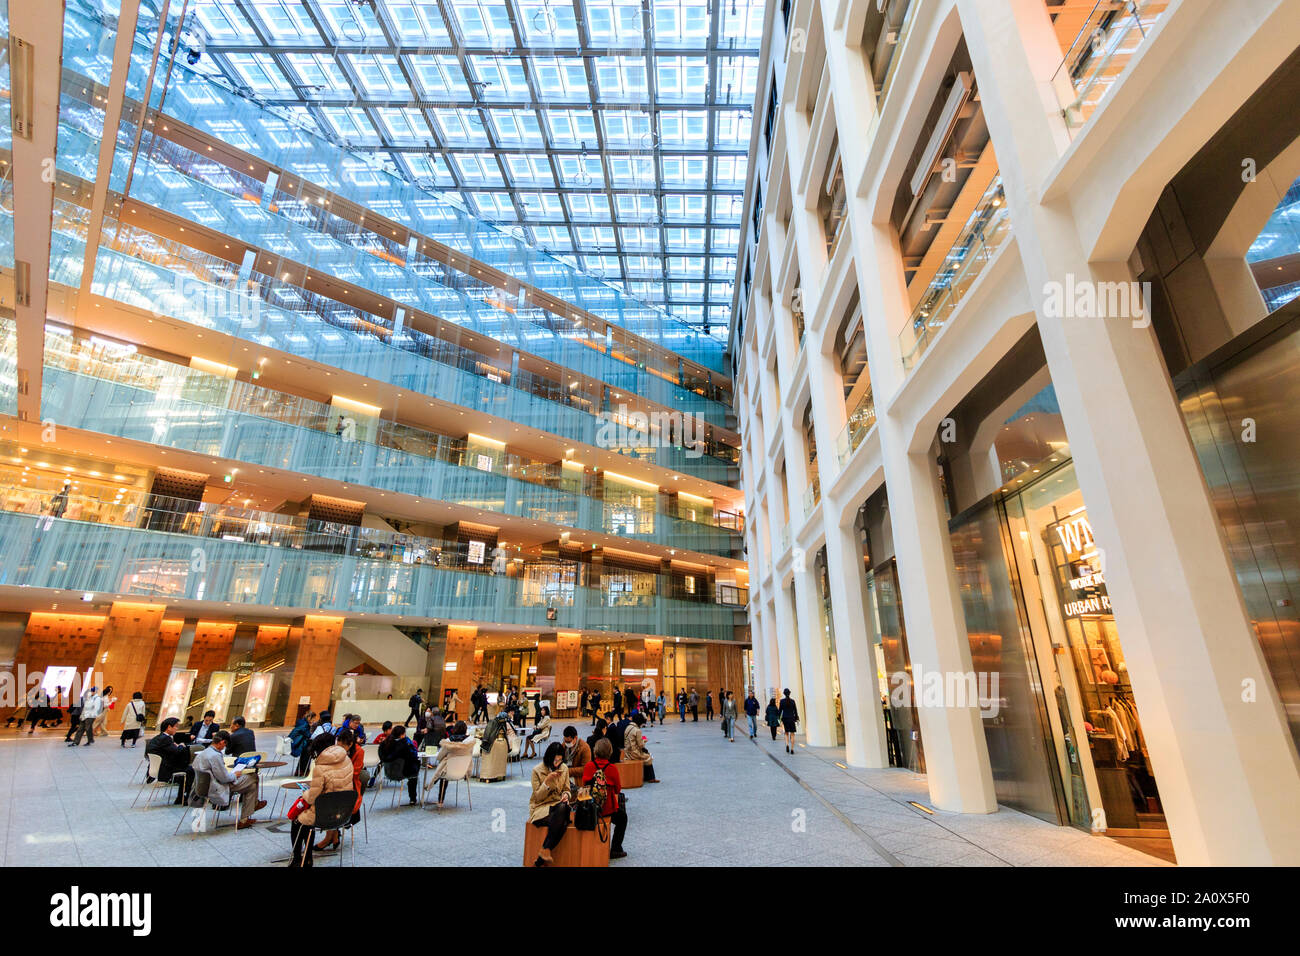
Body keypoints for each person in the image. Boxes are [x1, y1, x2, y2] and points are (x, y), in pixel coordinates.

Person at [290, 738, 354, 867]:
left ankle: (300, 858)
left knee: (298, 821)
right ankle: (306, 859)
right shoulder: (346, 759)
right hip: (343, 812)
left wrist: (304, 793)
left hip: (324, 814)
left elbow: (312, 798)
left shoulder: (320, 768)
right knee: (307, 820)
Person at [190, 730, 267, 829]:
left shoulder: (204, 752)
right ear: (222, 742)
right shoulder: (215, 755)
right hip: (216, 787)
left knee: (251, 787)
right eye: (224, 745)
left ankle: (244, 820)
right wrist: (235, 775)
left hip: (203, 786)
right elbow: (224, 778)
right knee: (253, 777)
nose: (224, 748)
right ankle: (254, 805)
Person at [315, 727, 364, 852]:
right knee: (328, 797)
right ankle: (333, 836)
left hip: (350, 786)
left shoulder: (358, 752)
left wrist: (340, 771)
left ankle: (329, 838)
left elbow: (355, 772)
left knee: (331, 801)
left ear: (350, 744)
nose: (340, 748)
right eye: (338, 744)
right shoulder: (336, 752)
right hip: (337, 783)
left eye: (343, 745)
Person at [582, 738, 627, 859]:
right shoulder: (612, 768)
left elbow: (584, 784)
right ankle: (616, 848)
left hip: (591, 808)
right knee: (622, 818)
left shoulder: (589, 766)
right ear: (610, 752)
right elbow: (618, 789)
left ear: (595, 751)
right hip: (608, 809)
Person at [529, 741, 572, 866]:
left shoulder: (564, 768)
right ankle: (544, 853)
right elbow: (537, 797)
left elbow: (567, 789)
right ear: (549, 758)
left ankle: (543, 853)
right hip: (541, 807)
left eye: (560, 760)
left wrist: (566, 795)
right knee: (563, 821)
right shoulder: (537, 770)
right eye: (555, 761)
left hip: (558, 806)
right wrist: (547, 782)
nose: (557, 764)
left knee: (563, 809)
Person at [425, 720, 474, 809]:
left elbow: (439, 757)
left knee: (443, 772)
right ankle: (433, 785)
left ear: (454, 729)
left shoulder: (448, 742)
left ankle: (440, 800)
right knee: (444, 770)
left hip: (449, 771)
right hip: (463, 771)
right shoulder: (470, 742)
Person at [146, 717, 195, 804]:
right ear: (169, 727)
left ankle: (181, 796)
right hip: (164, 769)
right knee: (190, 770)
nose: (177, 729)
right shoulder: (166, 739)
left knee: (186, 769)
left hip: (158, 766)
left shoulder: (159, 737)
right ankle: (182, 797)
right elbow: (177, 751)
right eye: (176, 726)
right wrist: (181, 745)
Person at [377, 724, 420, 806]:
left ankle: (413, 798)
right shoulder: (404, 745)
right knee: (413, 773)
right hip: (403, 772)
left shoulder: (384, 744)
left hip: (388, 772)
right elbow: (413, 755)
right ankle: (413, 798)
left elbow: (382, 757)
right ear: (402, 734)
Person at [623, 713, 659, 782]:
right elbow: (641, 745)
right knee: (648, 757)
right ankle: (650, 778)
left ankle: (645, 776)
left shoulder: (628, 727)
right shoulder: (637, 730)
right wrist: (644, 741)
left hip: (627, 752)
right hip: (634, 753)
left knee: (645, 756)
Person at [779, 688, 800, 754]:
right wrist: (797, 718)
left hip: (785, 719)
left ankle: (787, 744)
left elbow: (780, 711)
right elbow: (795, 711)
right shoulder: (793, 701)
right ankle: (792, 749)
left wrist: (779, 719)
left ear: (784, 694)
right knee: (792, 734)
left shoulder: (782, 701)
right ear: (789, 693)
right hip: (791, 719)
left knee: (786, 733)